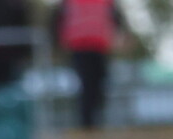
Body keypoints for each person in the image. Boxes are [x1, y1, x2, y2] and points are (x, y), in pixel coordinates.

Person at [52, 0, 126, 130]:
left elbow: (116, 16)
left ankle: (95, 120)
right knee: (87, 84)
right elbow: (57, 19)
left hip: (99, 46)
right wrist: (57, 41)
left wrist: (121, 33)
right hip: (79, 46)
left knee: (100, 83)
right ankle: (86, 123)